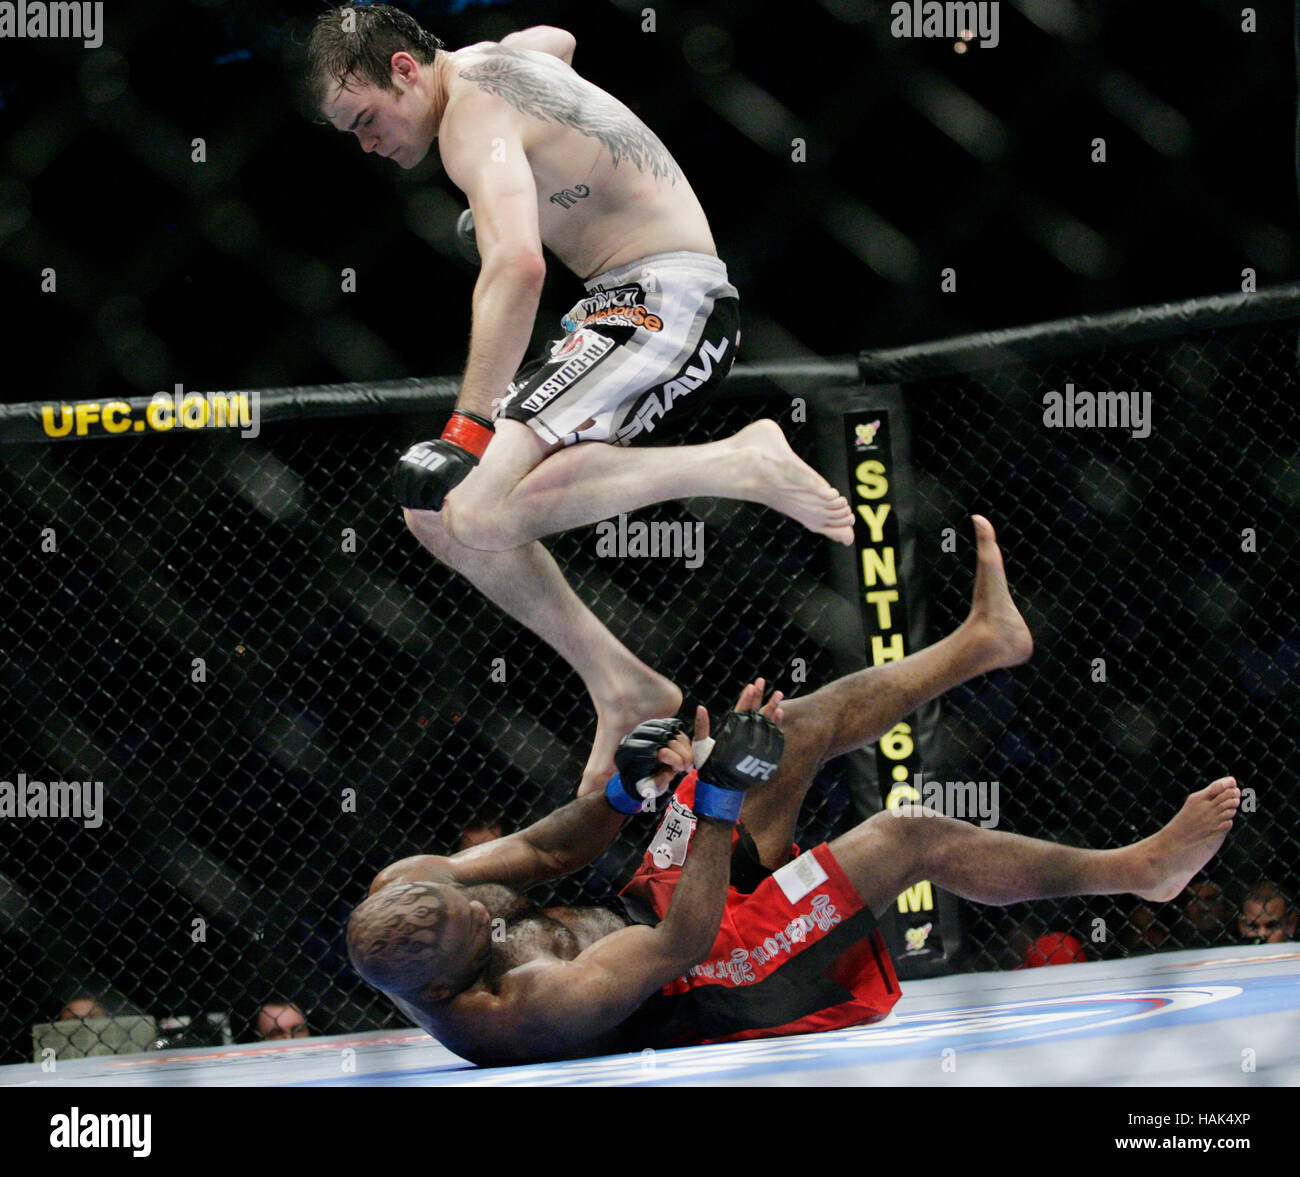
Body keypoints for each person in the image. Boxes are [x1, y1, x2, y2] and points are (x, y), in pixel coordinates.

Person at [345, 517, 1242, 1065]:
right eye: (482, 931)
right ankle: (1141, 870)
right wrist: (718, 797)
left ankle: (982, 641)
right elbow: (682, 941)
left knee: (788, 733)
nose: (491, 913)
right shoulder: (522, 1008)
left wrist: (624, 792)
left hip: (650, 906)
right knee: (905, 835)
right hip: (707, 971)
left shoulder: (416, 891)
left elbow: (547, 852)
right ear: (456, 975)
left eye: (470, 901)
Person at [305, 5, 855, 795]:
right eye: (346, 133)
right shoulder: (497, 61)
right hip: (616, 313)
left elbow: (518, 268)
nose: (366, 143)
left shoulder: (469, 117)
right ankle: (620, 682)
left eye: (365, 119)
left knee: (478, 507)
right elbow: (553, 42)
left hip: (665, 303)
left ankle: (739, 460)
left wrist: (466, 427)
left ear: (404, 69)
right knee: (435, 512)